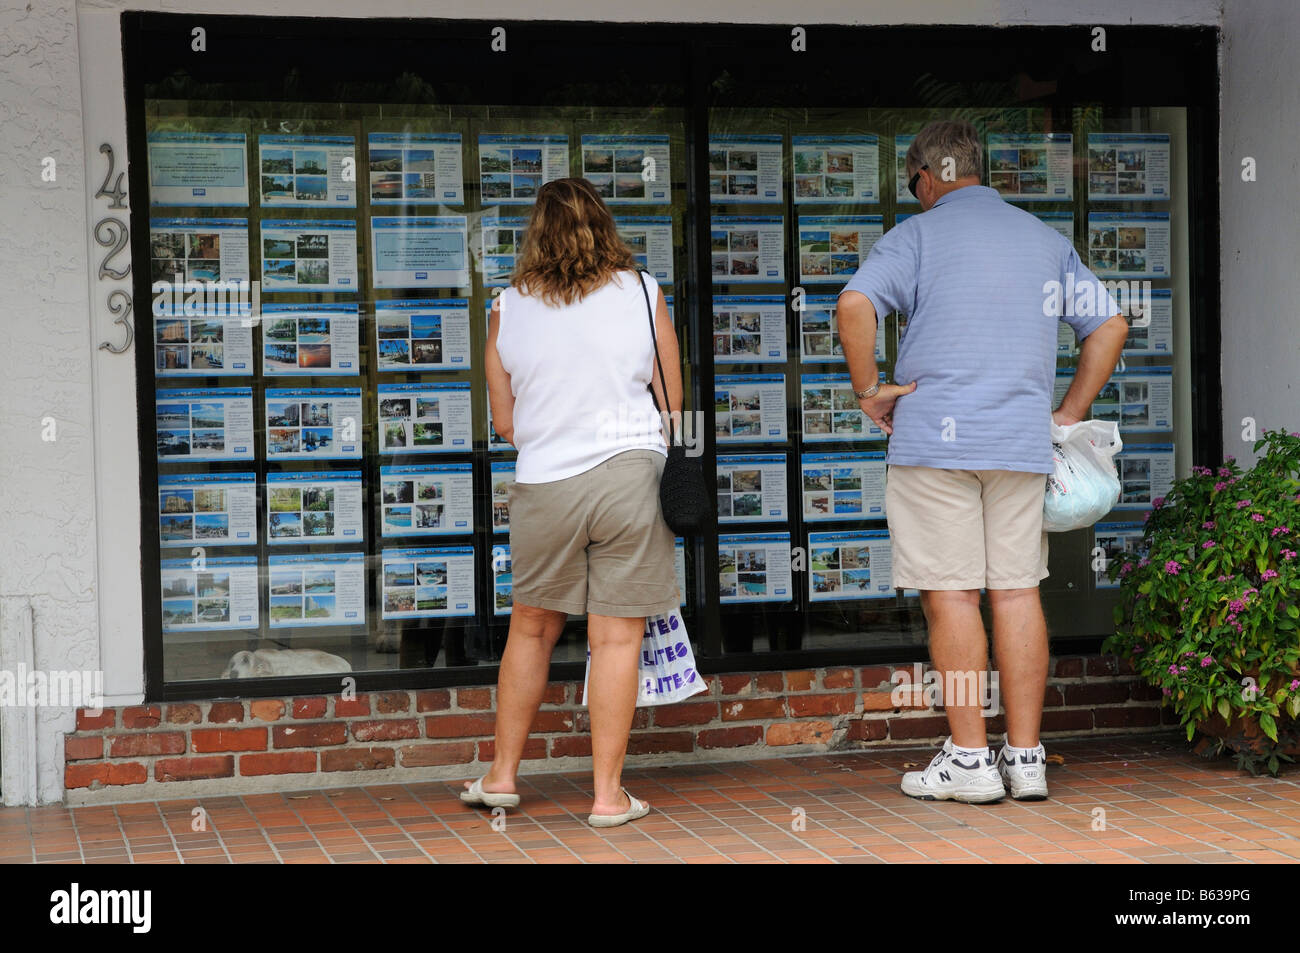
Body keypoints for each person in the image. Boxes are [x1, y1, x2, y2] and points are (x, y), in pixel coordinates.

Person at [836, 120, 1128, 803]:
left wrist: (868, 390)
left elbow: (854, 304)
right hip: (1020, 443)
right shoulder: (1044, 241)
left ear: (929, 174)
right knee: (1018, 592)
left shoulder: (914, 238)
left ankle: (970, 760)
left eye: (913, 185)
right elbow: (1110, 324)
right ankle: (1025, 757)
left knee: (954, 594)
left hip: (935, 447)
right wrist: (1068, 412)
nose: (915, 196)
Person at [464, 177, 682, 827]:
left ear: (536, 233)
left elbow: (504, 421)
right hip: (630, 476)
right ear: (605, 227)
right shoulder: (643, 293)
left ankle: (502, 776)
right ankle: (608, 796)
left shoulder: (506, 306)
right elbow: (674, 401)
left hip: (545, 483)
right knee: (617, 639)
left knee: (530, 629)